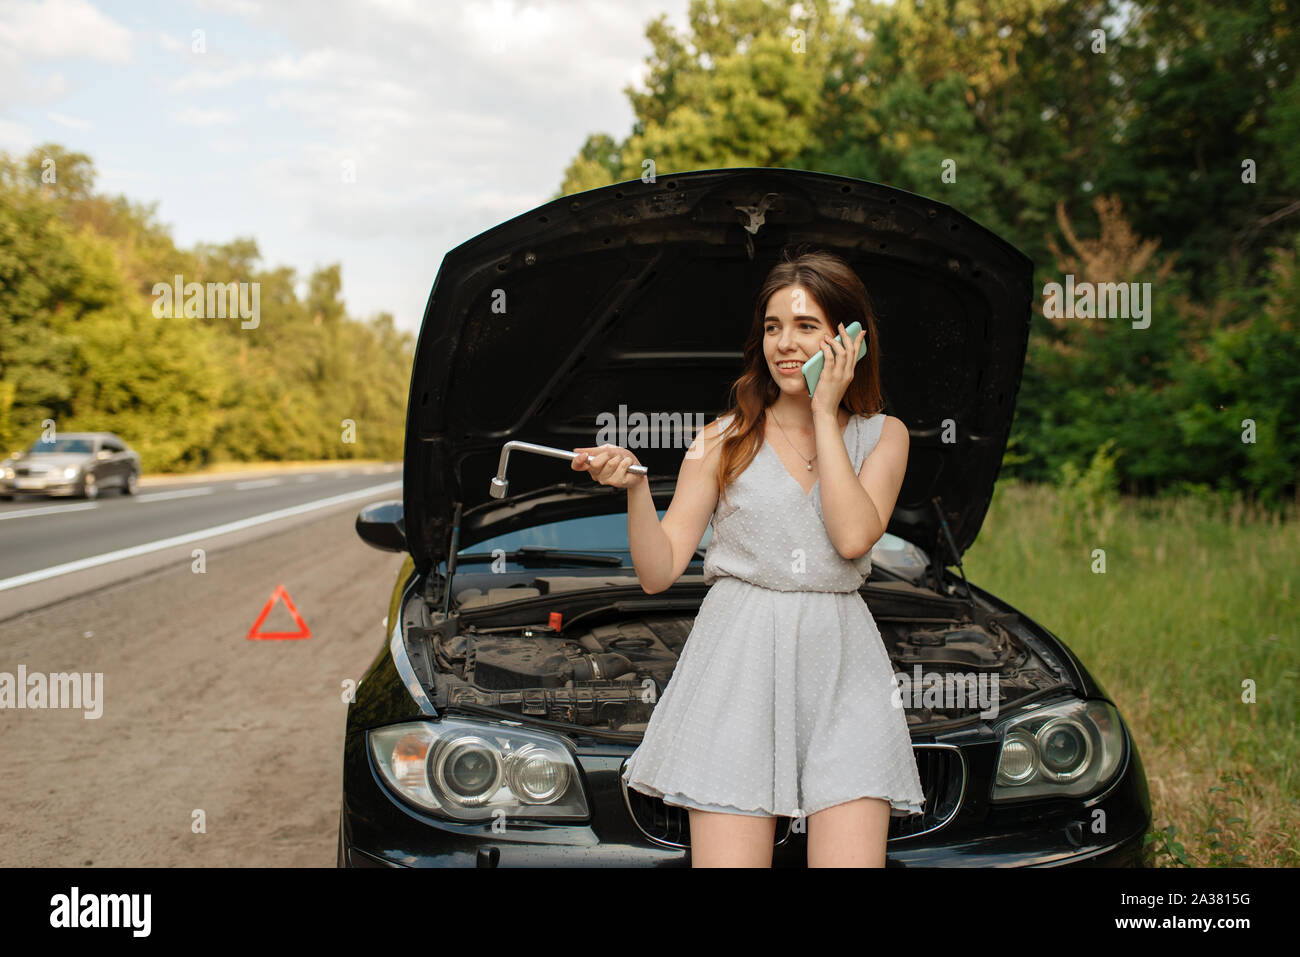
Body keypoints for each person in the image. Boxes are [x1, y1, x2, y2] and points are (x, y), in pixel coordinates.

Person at [571, 247, 924, 867]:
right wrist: (633, 490)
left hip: (844, 668)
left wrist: (822, 411)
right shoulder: (721, 439)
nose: (785, 344)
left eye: (806, 326)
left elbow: (850, 538)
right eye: (772, 327)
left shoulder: (882, 435)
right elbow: (658, 573)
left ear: (849, 339)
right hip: (737, 664)